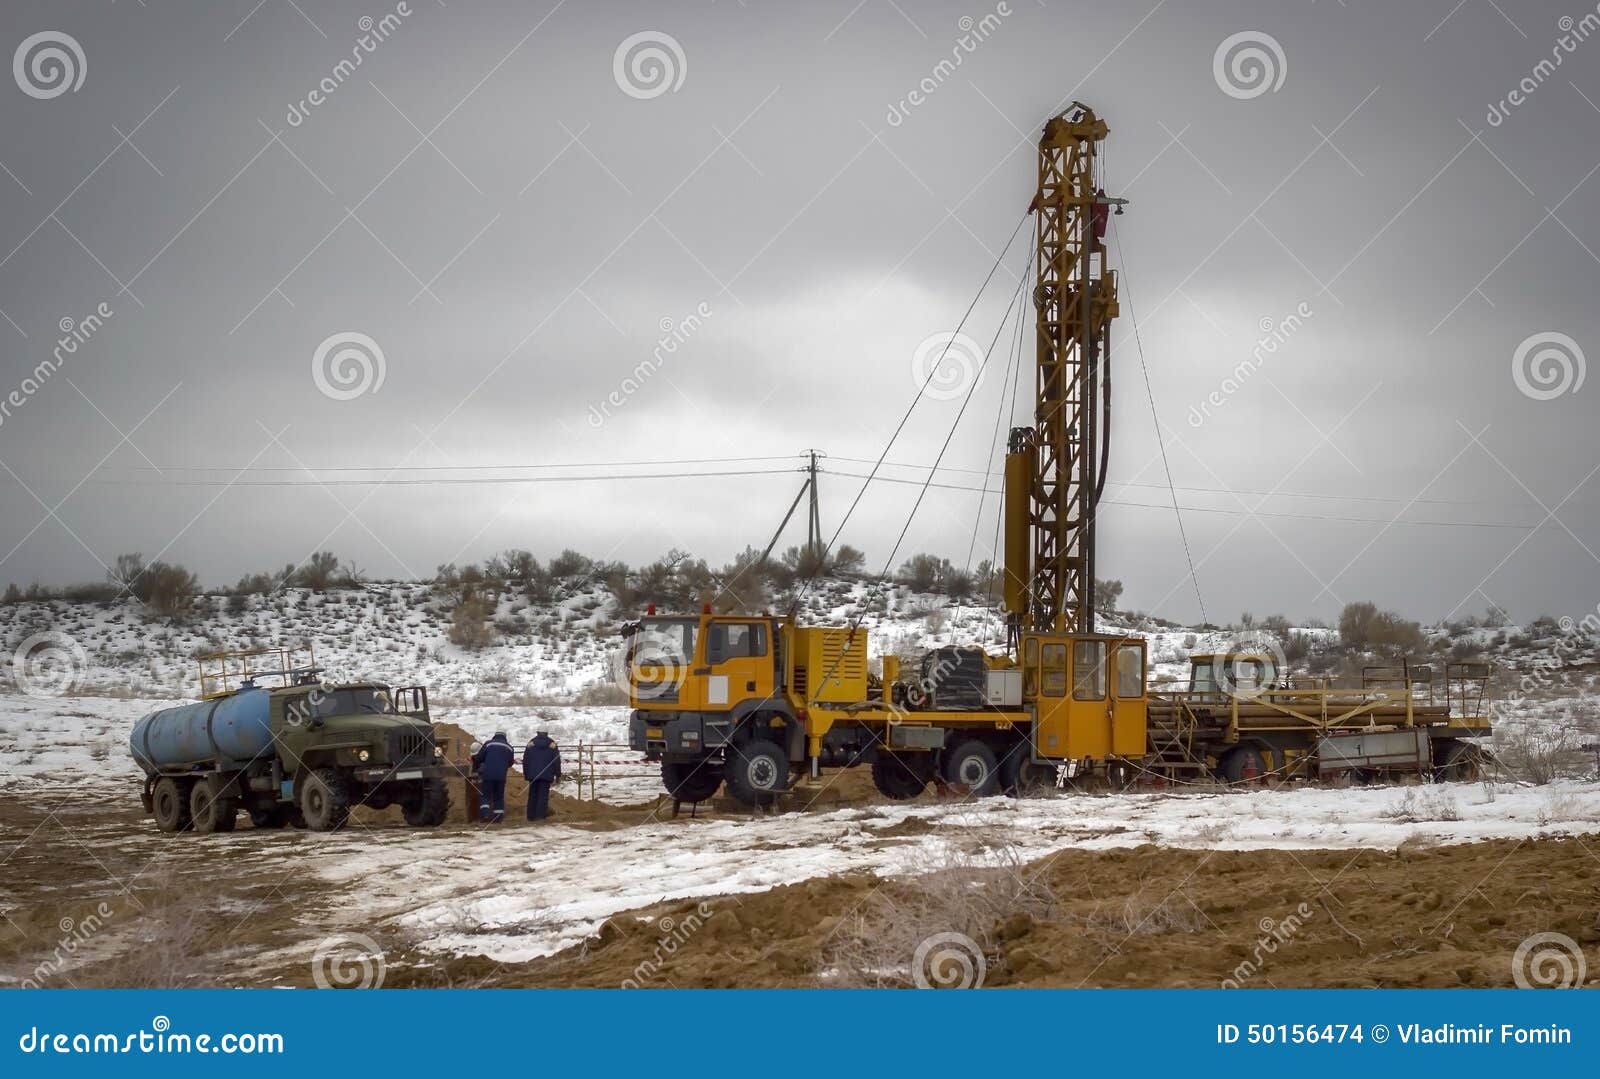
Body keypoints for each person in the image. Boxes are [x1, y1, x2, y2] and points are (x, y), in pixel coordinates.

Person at [472, 731, 515, 823]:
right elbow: (511, 762)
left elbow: (479, 758)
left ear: (495, 735)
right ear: (505, 736)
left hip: (488, 775)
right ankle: (498, 818)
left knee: (485, 795)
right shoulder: (510, 748)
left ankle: (485, 815)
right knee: (499, 797)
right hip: (501, 777)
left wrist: (476, 769)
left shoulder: (488, 744)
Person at [522, 731, 562, 821]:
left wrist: (526, 773)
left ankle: (531, 816)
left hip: (532, 775)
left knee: (532, 795)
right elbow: (556, 761)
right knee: (543, 796)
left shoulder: (531, 743)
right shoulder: (552, 744)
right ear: (546, 733)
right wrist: (558, 775)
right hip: (546, 775)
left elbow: (525, 760)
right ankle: (540, 816)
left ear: (538, 733)